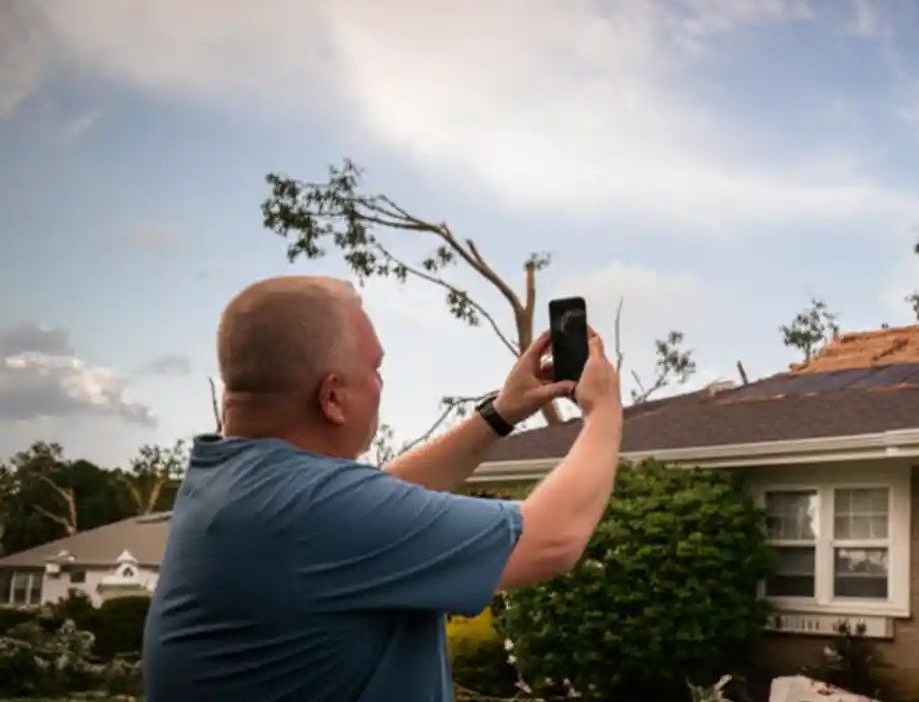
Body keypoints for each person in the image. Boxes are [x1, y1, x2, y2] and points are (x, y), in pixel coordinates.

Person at [142, 275, 623, 702]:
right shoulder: (309, 509)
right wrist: (603, 411)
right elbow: (552, 538)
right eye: (374, 368)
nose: (380, 383)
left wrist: (502, 412)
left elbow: (379, 496)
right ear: (332, 397)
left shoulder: (232, 483)